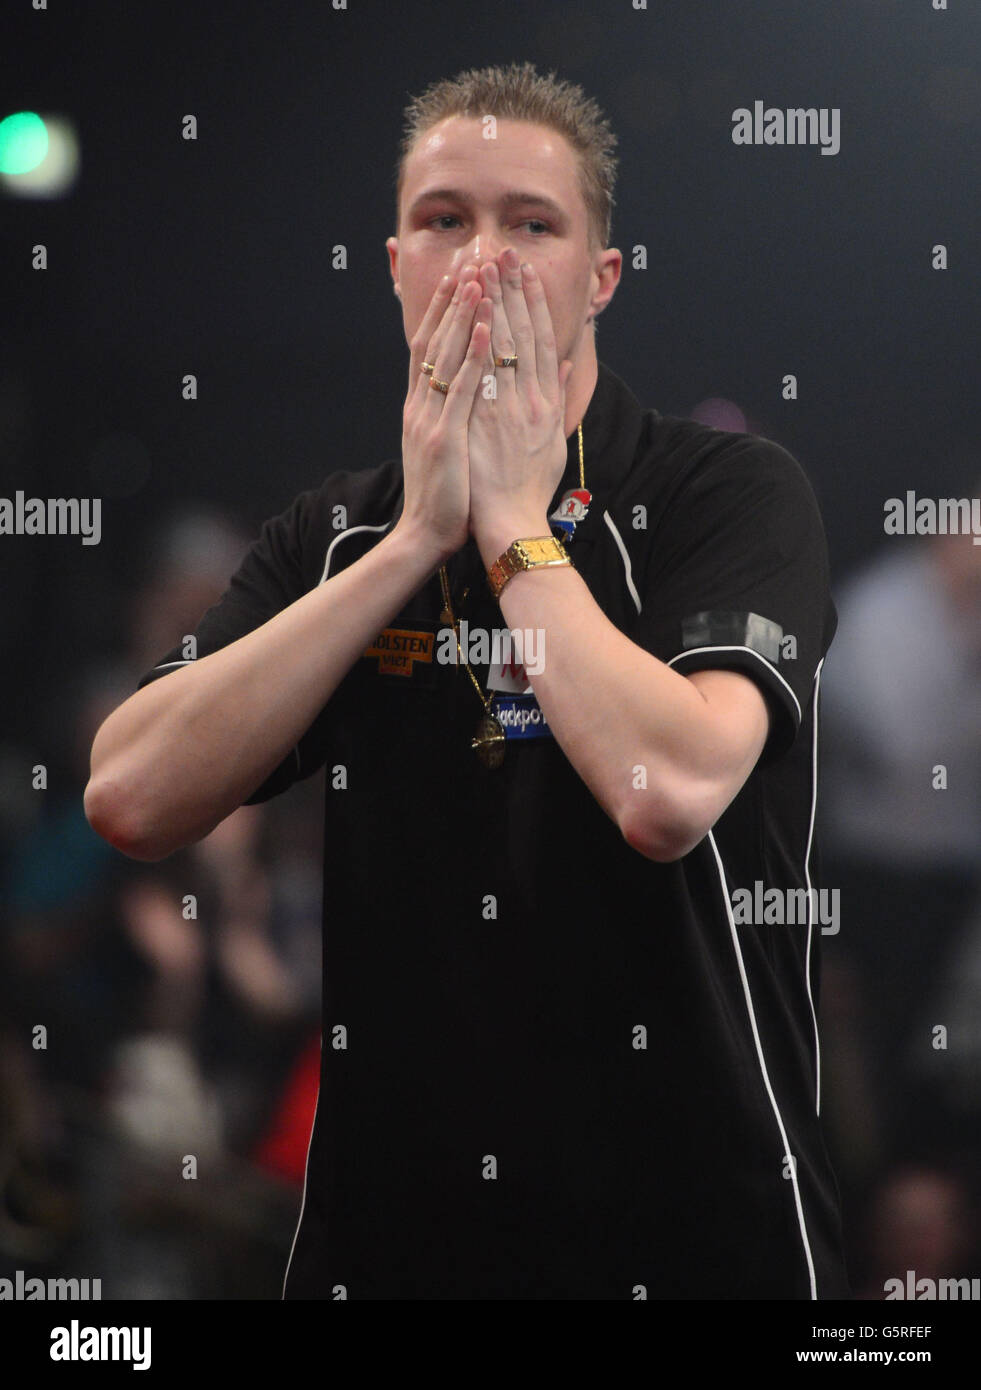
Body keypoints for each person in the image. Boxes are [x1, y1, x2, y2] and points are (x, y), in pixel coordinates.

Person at [84, 61, 849, 1300]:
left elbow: (667, 792)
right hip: (395, 1237)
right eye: (445, 219)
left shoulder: (729, 493)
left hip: (698, 1228)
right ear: (394, 266)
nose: (483, 259)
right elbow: (129, 792)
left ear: (600, 278)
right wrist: (406, 550)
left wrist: (508, 523)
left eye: (530, 223)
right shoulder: (336, 534)